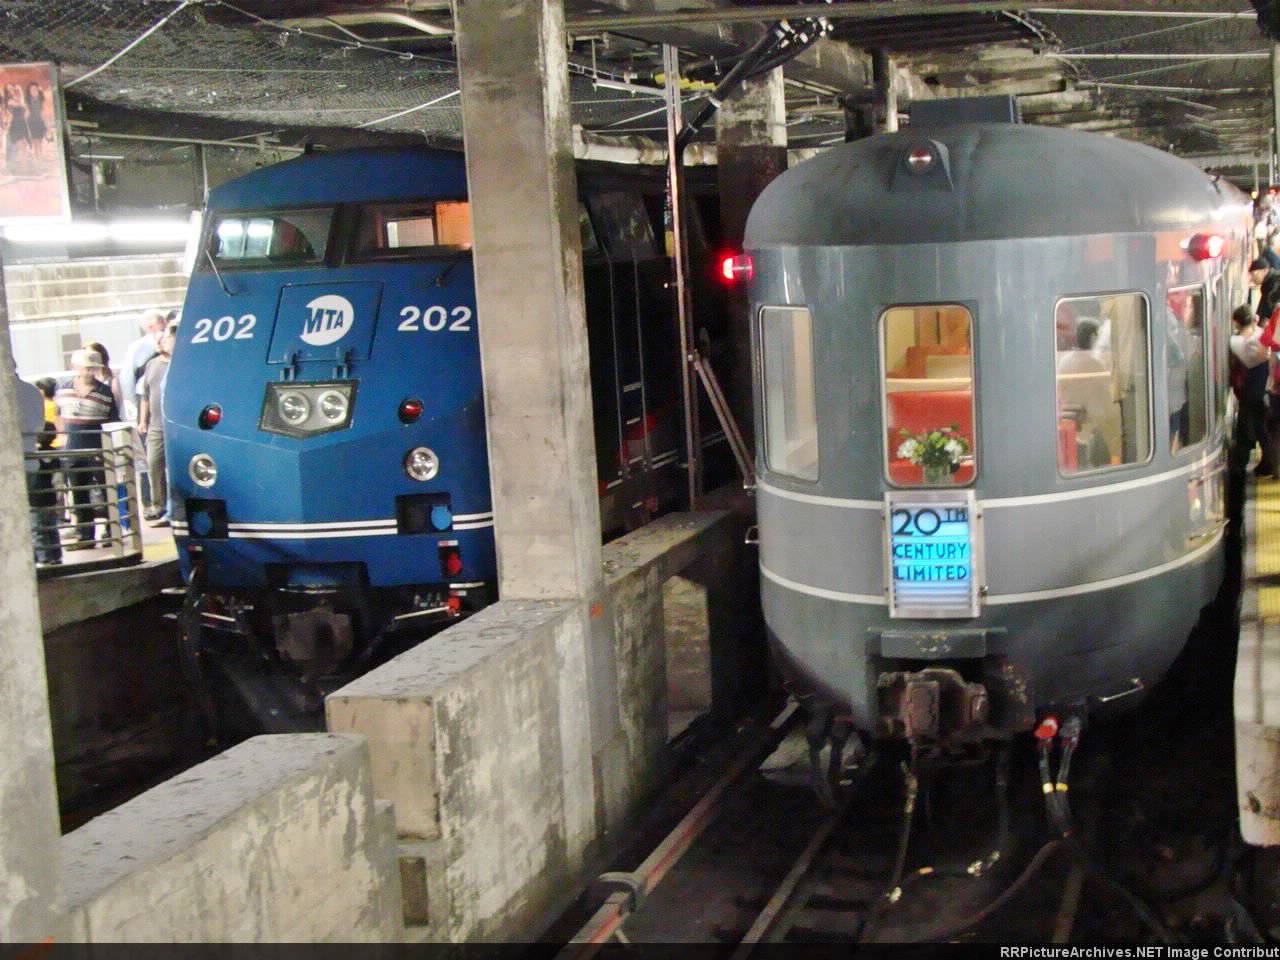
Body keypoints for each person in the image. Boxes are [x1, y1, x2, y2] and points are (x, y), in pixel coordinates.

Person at [54, 349, 118, 547]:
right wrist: (62, 437)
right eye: (86, 368)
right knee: (78, 491)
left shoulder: (105, 392)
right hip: (72, 449)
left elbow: (112, 420)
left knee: (105, 490)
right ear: (76, 368)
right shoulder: (63, 388)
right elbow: (58, 415)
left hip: (98, 448)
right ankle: (85, 535)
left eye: (93, 368)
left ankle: (110, 531)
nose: (90, 372)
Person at [138, 320, 176, 525]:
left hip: (173, 426)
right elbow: (145, 394)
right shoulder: (151, 365)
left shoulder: (179, 364)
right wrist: (142, 420)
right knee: (153, 464)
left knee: (174, 467)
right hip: (155, 426)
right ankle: (157, 505)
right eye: (159, 340)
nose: (162, 343)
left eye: (166, 339)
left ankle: (174, 507)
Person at [1231, 305, 1273, 478]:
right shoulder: (1262, 335)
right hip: (1266, 386)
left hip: (1252, 390)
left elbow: (1245, 360)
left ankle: (1269, 463)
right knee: (1263, 427)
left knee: (1259, 427)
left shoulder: (1236, 342)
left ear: (1236, 323)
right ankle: (1268, 463)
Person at [120, 309, 165, 424]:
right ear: (150, 327)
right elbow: (127, 378)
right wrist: (133, 403)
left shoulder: (174, 340)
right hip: (147, 398)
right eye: (160, 321)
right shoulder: (138, 347)